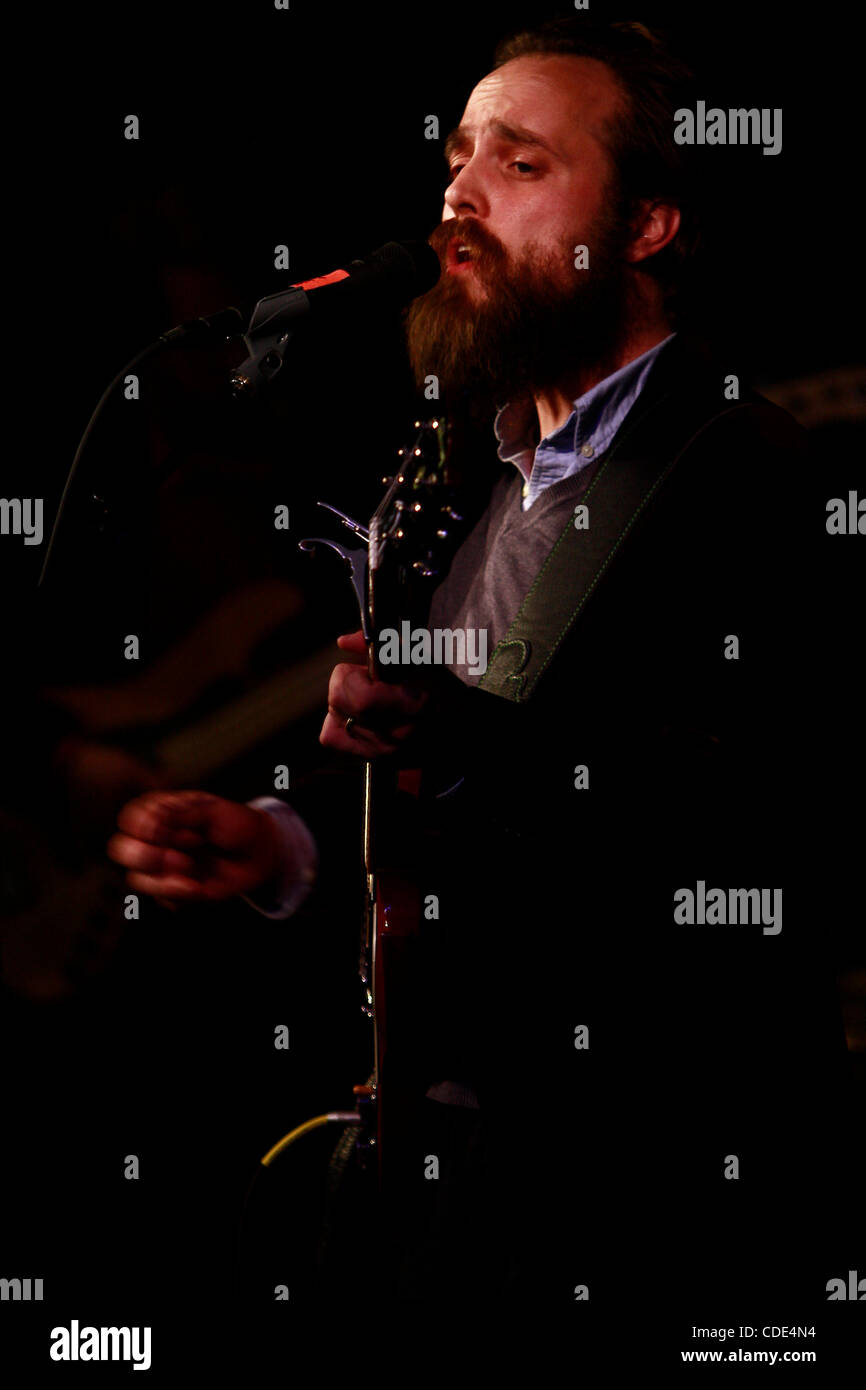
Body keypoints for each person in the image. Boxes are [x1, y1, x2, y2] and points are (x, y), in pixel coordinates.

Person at [108, 19, 850, 1319]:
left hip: (647, 1205)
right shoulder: (459, 478)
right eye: (456, 156)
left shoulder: (745, 473)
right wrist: (279, 842)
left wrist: (470, 739)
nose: (456, 192)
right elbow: (446, 826)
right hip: (452, 1206)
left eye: (518, 163)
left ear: (644, 225)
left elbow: (768, 842)